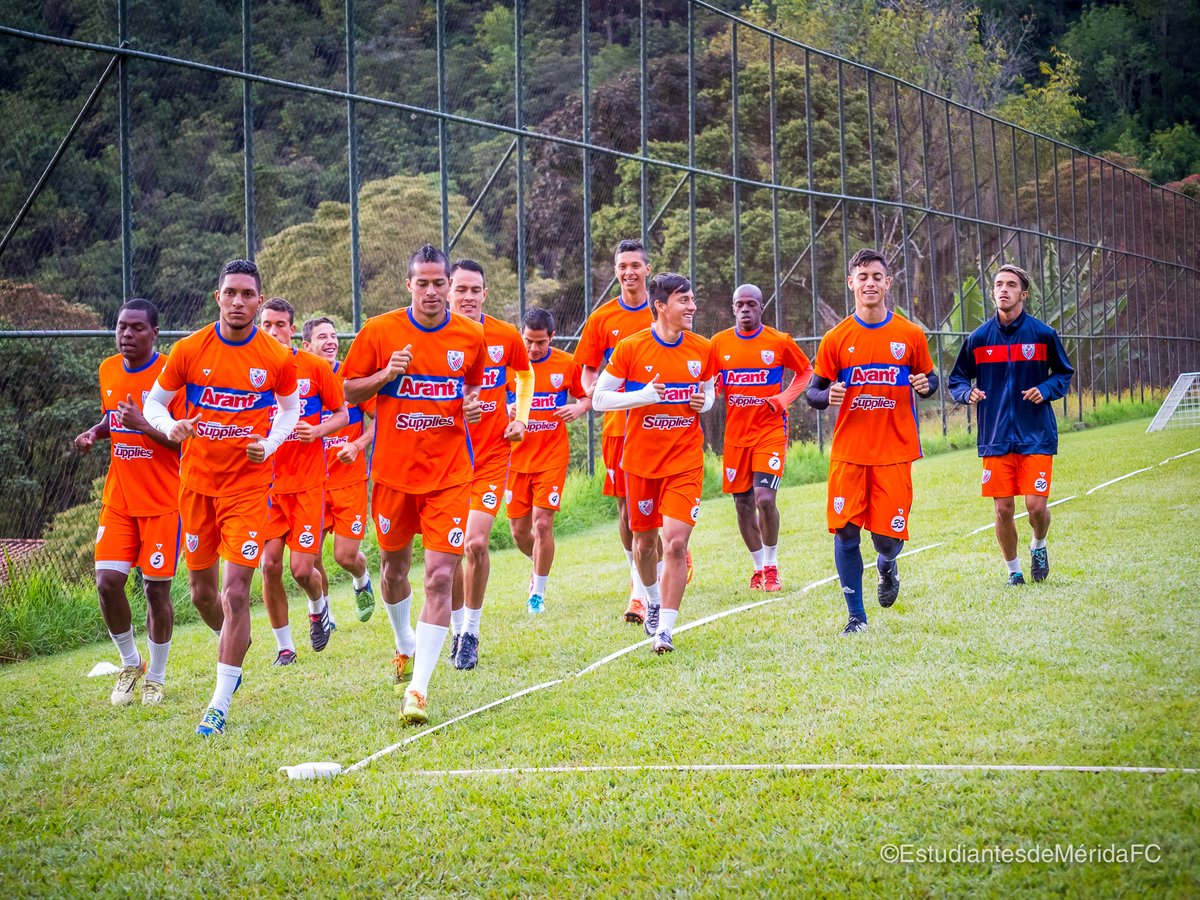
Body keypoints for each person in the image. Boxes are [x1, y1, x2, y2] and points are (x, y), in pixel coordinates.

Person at [144, 258, 300, 736]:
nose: (238, 301)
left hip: (248, 490)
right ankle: (235, 643)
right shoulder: (191, 349)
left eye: (247, 294)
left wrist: (269, 444)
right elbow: (153, 403)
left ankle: (219, 702)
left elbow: (289, 412)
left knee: (236, 593)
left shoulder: (275, 358)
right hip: (196, 488)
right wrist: (172, 425)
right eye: (230, 292)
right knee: (202, 595)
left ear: (258, 299)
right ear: (218, 296)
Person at [341, 244, 486, 725]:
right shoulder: (380, 331)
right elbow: (347, 391)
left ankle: (419, 691)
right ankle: (404, 641)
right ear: (408, 285)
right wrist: (387, 374)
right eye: (421, 283)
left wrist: (471, 405)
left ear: (449, 284)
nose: (430, 291)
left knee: (440, 576)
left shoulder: (469, 335)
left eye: (438, 283)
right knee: (393, 570)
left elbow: (473, 387)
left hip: (449, 476)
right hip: (392, 476)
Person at [805, 249, 938, 635]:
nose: (869, 283)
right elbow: (814, 392)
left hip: (895, 451)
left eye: (876, 277)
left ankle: (887, 565)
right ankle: (856, 616)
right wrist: (825, 396)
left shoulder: (909, 335)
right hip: (849, 451)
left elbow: (931, 382)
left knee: (885, 538)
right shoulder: (836, 339)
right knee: (846, 530)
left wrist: (924, 385)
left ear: (887, 284)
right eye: (862, 277)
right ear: (851, 284)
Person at [592, 272, 715, 654]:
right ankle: (653, 602)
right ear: (661, 306)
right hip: (642, 463)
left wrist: (703, 403)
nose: (692, 307)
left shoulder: (703, 348)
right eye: (684, 301)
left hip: (685, 459)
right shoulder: (631, 348)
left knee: (675, 544)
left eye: (692, 300)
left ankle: (666, 630)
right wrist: (641, 396)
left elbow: (709, 392)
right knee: (645, 545)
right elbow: (599, 399)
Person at [74, 298, 182, 706]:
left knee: (156, 592)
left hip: (162, 502)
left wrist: (143, 424)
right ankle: (129, 662)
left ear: (155, 332)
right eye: (121, 327)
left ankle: (156, 675)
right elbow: (111, 417)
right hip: (119, 498)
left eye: (137, 328)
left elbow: (181, 440)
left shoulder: (172, 373)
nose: (127, 335)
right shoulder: (107, 368)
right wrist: (94, 434)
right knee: (107, 584)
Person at [948, 263, 1074, 585]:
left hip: (1036, 435)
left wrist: (1044, 390)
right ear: (993, 293)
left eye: (1011, 285)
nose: (1004, 289)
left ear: (1023, 293)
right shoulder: (978, 339)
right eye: (999, 284)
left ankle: (1039, 545)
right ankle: (1014, 572)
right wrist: (967, 393)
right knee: (1003, 510)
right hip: (995, 436)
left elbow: (1063, 374)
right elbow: (957, 378)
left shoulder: (1043, 335)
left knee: (1034, 507)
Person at [573, 238, 674, 626]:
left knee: (662, 508)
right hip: (619, 428)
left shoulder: (665, 311)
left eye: (635, 265)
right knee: (628, 511)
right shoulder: (602, 319)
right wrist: (596, 392)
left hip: (664, 425)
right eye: (622, 266)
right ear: (615, 271)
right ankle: (639, 586)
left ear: (648, 269)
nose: (629, 272)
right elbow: (587, 373)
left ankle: (669, 560)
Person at [445, 259, 532, 670]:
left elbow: (525, 375)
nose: (467, 297)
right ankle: (456, 628)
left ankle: (472, 634)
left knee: (475, 543)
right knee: (448, 553)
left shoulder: (504, 335)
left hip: (492, 456)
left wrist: (521, 419)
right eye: (460, 289)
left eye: (474, 290)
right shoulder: (435, 336)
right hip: (444, 459)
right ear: (447, 291)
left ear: (485, 294)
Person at [258, 299, 348, 665]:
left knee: (301, 569)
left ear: (293, 330)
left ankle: (318, 607)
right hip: (266, 487)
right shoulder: (250, 368)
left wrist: (319, 430)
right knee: (269, 566)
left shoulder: (313, 367)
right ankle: (284, 647)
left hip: (308, 484)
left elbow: (342, 414)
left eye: (281, 324)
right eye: (267, 325)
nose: (274, 331)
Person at [711, 284, 813, 591]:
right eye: (740, 304)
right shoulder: (719, 343)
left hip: (769, 432)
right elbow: (710, 382)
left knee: (765, 498)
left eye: (751, 304)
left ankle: (772, 566)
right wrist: (710, 392)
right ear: (732, 308)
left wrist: (783, 398)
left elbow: (806, 371)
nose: (745, 309)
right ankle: (757, 568)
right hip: (735, 437)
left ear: (761, 307)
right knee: (743, 504)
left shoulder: (779, 341)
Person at [507, 307, 588, 614]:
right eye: (528, 341)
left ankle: (537, 594)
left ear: (552, 337)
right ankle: (539, 564)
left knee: (543, 523)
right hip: (516, 458)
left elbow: (586, 397)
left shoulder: (566, 364)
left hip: (552, 456)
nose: (533, 348)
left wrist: (578, 409)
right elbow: (492, 403)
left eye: (540, 342)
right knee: (518, 531)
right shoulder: (511, 367)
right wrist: (507, 411)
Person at [301, 316, 377, 622]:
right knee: (312, 557)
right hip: (312, 483)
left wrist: (357, 445)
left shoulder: (351, 378)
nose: (331, 341)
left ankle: (362, 580)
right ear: (307, 346)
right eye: (322, 337)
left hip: (350, 482)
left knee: (345, 556)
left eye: (333, 336)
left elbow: (380, 421)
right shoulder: (300, 381)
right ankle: (325, 614)